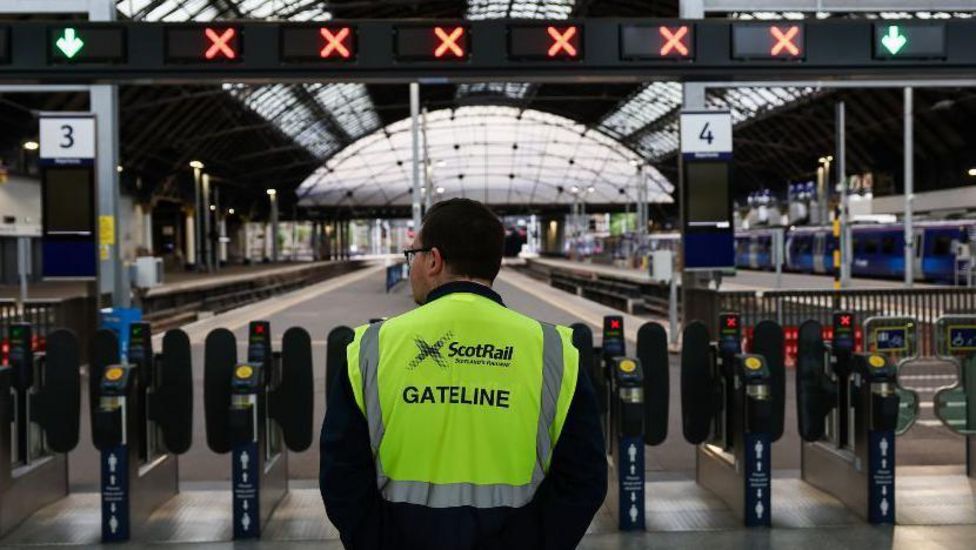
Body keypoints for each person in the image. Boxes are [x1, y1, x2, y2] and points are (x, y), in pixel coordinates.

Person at [320, 198, 606, 550]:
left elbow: (342, 474)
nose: (411, 266)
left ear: (433, 260)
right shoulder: (555, 351)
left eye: (413, 255)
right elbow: (583, 478)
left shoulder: (370, 347)